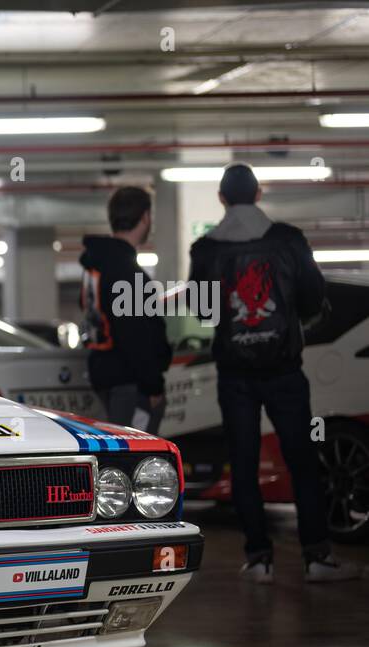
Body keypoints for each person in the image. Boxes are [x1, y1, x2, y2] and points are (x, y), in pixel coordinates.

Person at [188, 162, 359, 583]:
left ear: (221, 199)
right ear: (259, 194)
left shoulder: (205, 249)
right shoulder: (288, 240)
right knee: (302, 458)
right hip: (284, 369)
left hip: (234, 374)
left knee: (243, 463)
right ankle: (317, 556)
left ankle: (259, 559)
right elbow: (314, 297)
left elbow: (201, 309)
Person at [79, 186, 173, 434]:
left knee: (117, 443)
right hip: (130, 383)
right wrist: (153, 385)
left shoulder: (94, 268)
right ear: (145, 218)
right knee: (136, 448)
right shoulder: (127, 273)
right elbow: (135, 335)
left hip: (103, 374)